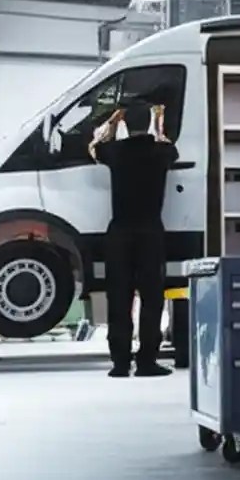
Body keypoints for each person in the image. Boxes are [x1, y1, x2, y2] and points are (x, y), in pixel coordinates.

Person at [90, 103, 178, 378]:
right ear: (149, 124)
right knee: (152, 299)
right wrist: (160, 120)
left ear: (128, 125)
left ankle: (119, 363)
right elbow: (166, 142)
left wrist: (114, 121)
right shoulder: (162, 152)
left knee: (119, 297)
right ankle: (147, 362)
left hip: (119, 233)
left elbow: (94, 145)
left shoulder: (116, 152)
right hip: (150, 233)